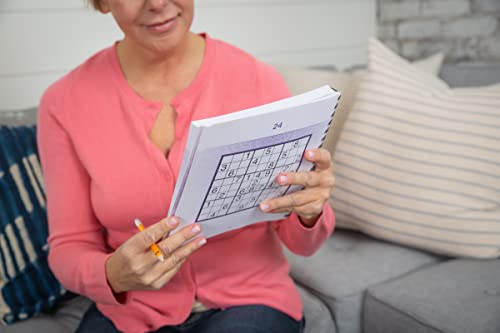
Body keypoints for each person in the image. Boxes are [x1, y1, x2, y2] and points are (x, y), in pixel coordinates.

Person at [37, 1, 336, 332]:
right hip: (131, 313)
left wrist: (309, 210)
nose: (158, 3)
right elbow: (69, 245)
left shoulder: (258, 80)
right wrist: (110, 273)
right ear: (103, 3)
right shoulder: (64, 103)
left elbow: (303, 243)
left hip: (251, 301)